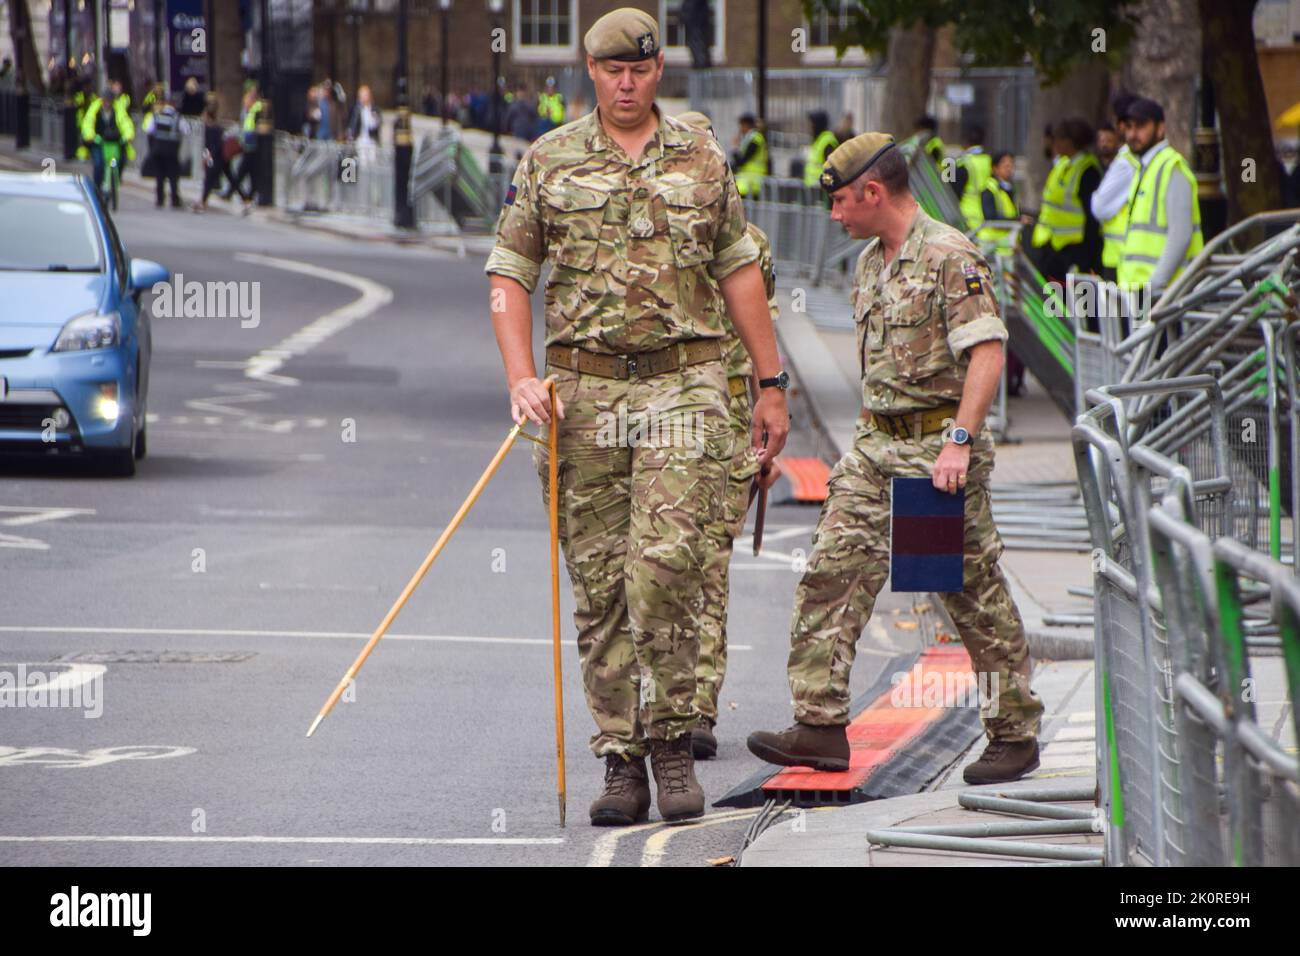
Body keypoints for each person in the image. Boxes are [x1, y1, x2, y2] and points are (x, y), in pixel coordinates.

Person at [484, 8, 789, 826]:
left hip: (681, 389)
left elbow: (738, 267)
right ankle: (620, 758)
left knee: (664, 569)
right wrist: (521, 377)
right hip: (580, 396)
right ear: (590, 69)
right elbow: (511, 273)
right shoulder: (548, 161)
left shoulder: (700, 154)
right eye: (613, 70)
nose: (627, 83)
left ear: (660, 72)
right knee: (599, 584)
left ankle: (671, 738)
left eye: (641, 71)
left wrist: (770, 382)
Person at [746, 132, 1044, 785]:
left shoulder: (948, 256)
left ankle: (1015, 731)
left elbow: (987, 353)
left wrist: (959, 445)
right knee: (830, 573)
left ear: (874, 192)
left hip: (936, 455)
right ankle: (819, 726)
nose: (834, 215)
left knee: (961, 590)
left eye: (842, 201)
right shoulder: (871, 263)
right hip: (877, 448)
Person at [676, 109, 783, 759]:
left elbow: (758, 339)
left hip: (722, 423)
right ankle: (666, 702)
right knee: (665, 568)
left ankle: (694, 710)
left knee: (705, 569)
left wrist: (765, 425)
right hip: (664, 420)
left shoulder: (748, 244)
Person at [1117, 96, 1203, 295]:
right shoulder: (1144, 168)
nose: (1132, 134)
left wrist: (1156, 283)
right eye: (1128, 127)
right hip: (1139, 288)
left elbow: (1181, 234)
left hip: (1164, 293)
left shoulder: (1172, 167)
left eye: (1140, 126)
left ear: (1160, 128)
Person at [977, 151, 1026, 396]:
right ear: (995, 167)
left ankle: (1011, 381)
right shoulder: (989, 189)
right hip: (993, 258)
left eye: (1012, 164)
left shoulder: (1009, 188)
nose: (1010, 168)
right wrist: (1016, 219)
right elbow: (991, 217)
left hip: (1007, 259)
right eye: (1006, 165)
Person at [1031, 117, 1101, 280]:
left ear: (1070, 142)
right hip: (1052, 245)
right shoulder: (1063, 164)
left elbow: (1091, 216)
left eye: (1059, 139)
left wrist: (1087, 258)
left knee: (1071, 301)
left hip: (1074, 249)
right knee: (1050, 301)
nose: (1055, 144)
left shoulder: (1087, 170)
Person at [81, 86, 135, 199]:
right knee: (99, 164)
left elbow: (125, 122)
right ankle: (97, 189)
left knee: (120, 161)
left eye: (109, 100)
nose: (107, 103)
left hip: (114, 143)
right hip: (98, 142)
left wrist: (128, 135)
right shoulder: (94, 109)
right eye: (105, 100)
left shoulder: (118, 109)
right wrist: (90, 135)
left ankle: (114, 183)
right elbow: (88, 122)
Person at [144, 93, 186, 209]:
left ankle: (160, 199)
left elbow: (148, 130)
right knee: (173, 176)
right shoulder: (177, 117)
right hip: (172, 152)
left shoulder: (156, 116)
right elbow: (186, 130)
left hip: (157, 150)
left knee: (159, 175)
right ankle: (174, 199)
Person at [953, 125, 992, 231]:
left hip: (967, 215)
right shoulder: (990, 160)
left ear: (965, 141)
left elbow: (953, 191)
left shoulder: (962, 162)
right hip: (988, 214)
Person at [730, 112, 768, 197]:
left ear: (746, 125)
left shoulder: (755, 139)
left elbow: (742, 161)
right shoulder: (748, 139)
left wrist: (735, 148)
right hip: (747, 182)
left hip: (750, 182)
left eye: (741, 125)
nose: (740, 128)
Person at [804, 110, 839, 187]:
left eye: (811, 124)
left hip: (821, 192)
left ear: (817, 125)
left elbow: (831, 170)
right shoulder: (818, 141)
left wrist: (826, 186)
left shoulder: (827, 142)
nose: (809, 127)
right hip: (814, 191)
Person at [347, 84, 382, 163]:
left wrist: (374, 117)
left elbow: (377, 124)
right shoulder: (356, 109)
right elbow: (353, 123)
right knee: (362, 161)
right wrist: (351, 135)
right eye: (362, 96)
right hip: (360, 139)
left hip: (371, 140)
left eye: (365, 95)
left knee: (372, 161)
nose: (363, 98)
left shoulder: (374, 109)